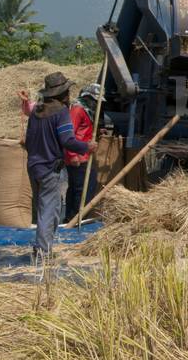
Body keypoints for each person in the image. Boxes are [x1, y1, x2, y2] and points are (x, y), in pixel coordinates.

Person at [23, 72, 95, 263]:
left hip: (34, 167)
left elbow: (28, 141)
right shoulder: (61, 112)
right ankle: (43, 253)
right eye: (67, 92)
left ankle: (41, 247)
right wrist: (86, 147)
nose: (69, 95)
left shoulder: (36, 112)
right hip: (50, 169)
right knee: (50, 211)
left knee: (44, 210)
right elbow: (67, 140)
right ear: (62, 94)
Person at [63, 83, 112, 223]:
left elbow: (83, 130)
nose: (97, 104)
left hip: (81, 154)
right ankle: (76, 218)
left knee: (76, 187)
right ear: (88, 97)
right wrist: (73, 155)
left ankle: (71, 218)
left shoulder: (86, 110)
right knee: (82, 188)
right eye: (95, 101)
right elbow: (70, 134)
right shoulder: (78, 109)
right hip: (78, 155)